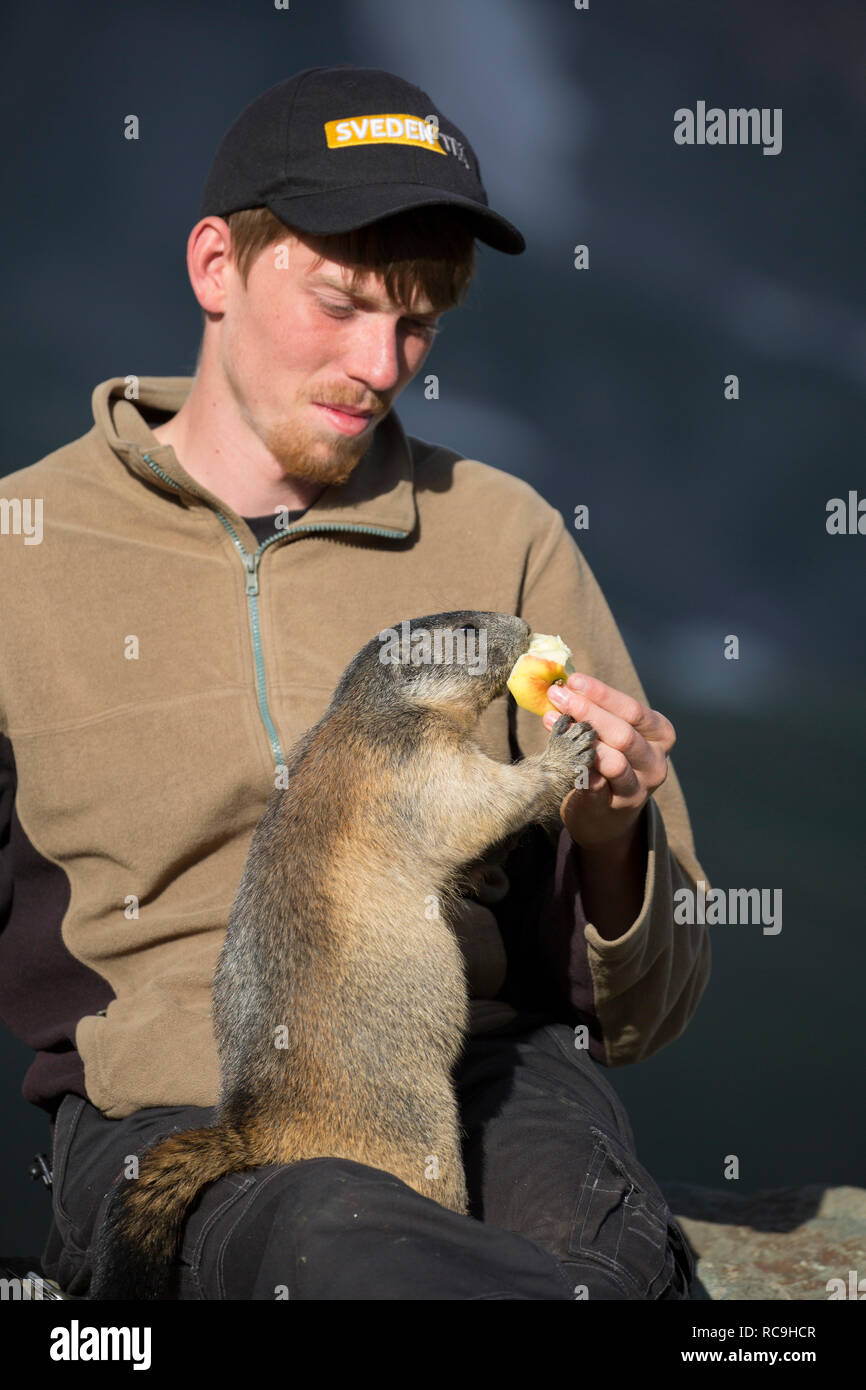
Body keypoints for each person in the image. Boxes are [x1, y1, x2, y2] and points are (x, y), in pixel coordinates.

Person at [0, 65, 708, 1300]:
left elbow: (650, 1004)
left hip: (488, 1075)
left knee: (602, 1263)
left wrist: (613, 835)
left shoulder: (507, 532)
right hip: (195, 1113)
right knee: (335, 1245)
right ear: (215, 266)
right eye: (339, 303)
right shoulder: (24, 545)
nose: (381, 364)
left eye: (419, 322)